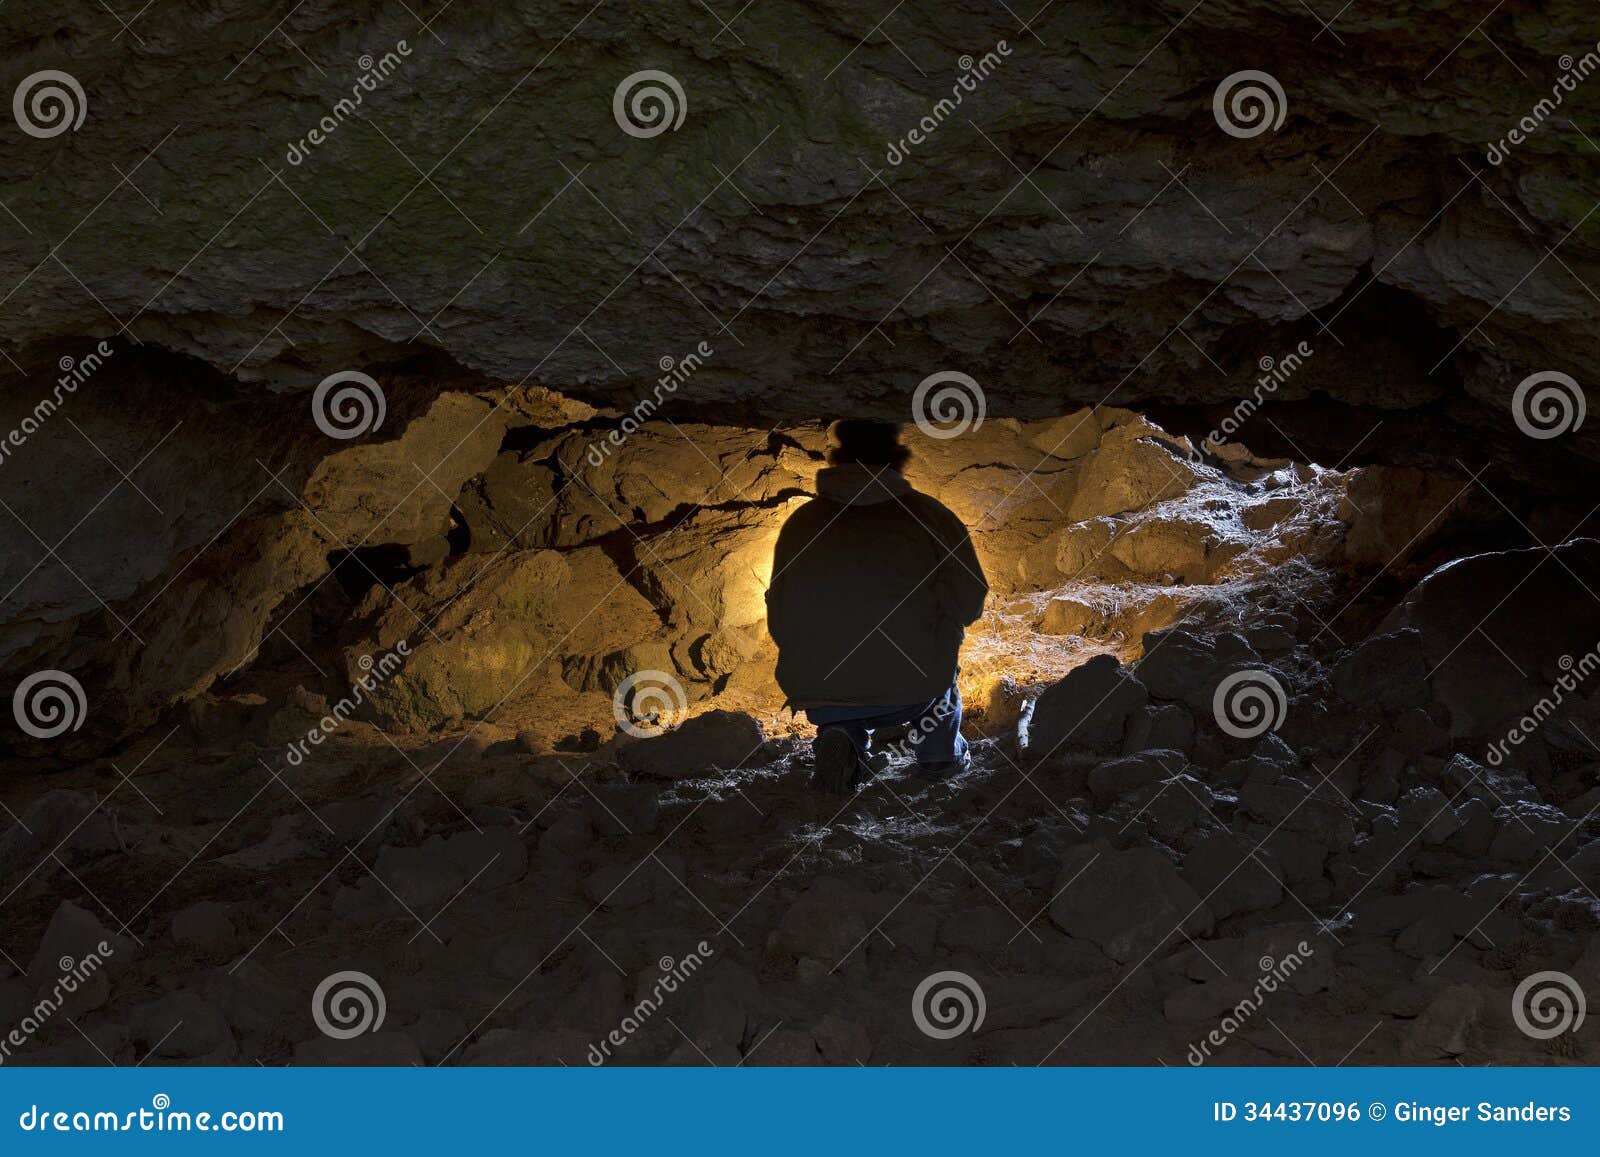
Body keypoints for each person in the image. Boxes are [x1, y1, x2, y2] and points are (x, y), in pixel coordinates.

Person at [765, 419, 988, 793]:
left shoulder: (801, 523)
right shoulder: (929, 515)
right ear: (898, 459)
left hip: (822, 692)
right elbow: (970, 602)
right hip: (914, 691)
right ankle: (939, 755)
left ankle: (843, 737)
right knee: (944, 656)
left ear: (838, 459)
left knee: (843, 702)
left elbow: (779, 614)